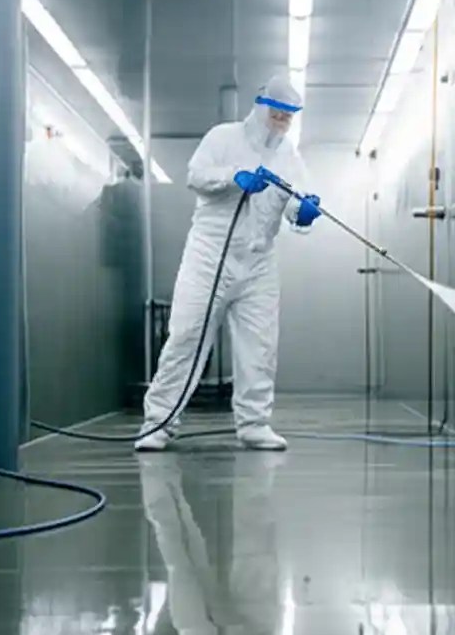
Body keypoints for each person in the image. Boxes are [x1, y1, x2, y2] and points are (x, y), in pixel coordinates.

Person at [136, 74, 322, 452]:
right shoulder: (223, 137)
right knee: (187, 335)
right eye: (276, 113)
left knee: (260, 344)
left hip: (259, 261)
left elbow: (294, 199)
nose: (281, 122)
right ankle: (158, 424)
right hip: (210, 255)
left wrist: (302, 211)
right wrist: (234, 178)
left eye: (288, 116)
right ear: (260, 108)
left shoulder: (288, 155)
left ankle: (254, 424)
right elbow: (195, 176)